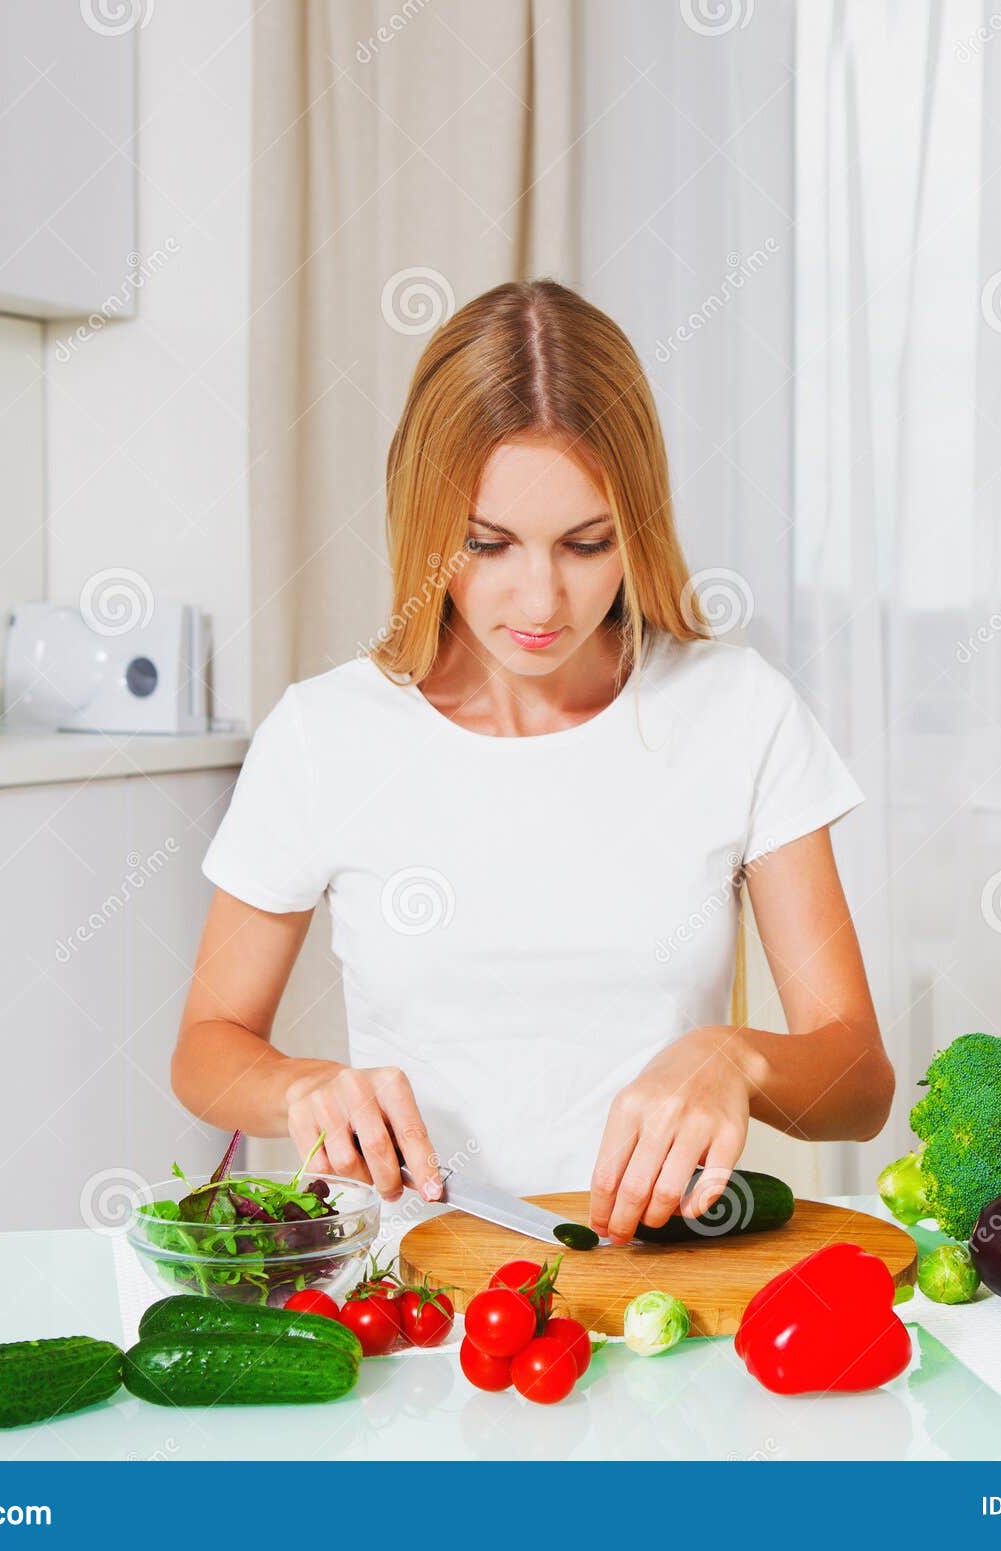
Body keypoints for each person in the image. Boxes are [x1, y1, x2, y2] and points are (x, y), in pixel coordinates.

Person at [171, 278, 892, 1245]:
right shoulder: (324, 733)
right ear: (426, 523)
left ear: (637, 525)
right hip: (417, 1285)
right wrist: (304, 1087)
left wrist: (736, 1058)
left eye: (587, 544)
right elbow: (206, 1049)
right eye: (488, 544)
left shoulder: (739, 711)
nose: (541, 600)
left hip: (661, 1277)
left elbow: (860, 1084)